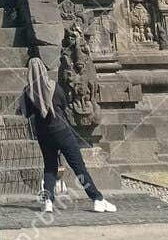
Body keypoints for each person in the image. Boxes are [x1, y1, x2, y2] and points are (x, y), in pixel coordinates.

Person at [18, 54, 117, 214]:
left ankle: (48, 201)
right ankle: (97, 199)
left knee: (50, 167)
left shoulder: (28, 93)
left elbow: (27, 113)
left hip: (43, 134)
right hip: (61, 131)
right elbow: (64, 104)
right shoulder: (54, 87)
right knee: (78, 166)